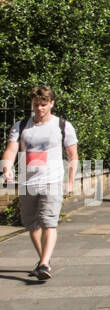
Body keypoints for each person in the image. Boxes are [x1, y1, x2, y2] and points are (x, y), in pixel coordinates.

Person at [1, 86, 79, 281]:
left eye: (43, 105)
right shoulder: (21, 126)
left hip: (52, 179)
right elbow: (11, 150)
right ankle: (43, 260)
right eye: (36, 105)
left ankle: (44, 263)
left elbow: (72, 155)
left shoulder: (62, 125)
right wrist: (7, 167)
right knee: (31, 224)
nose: (39, 109)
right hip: (28, 181)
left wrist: (70, 181)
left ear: (51, 103)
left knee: (48, 222)